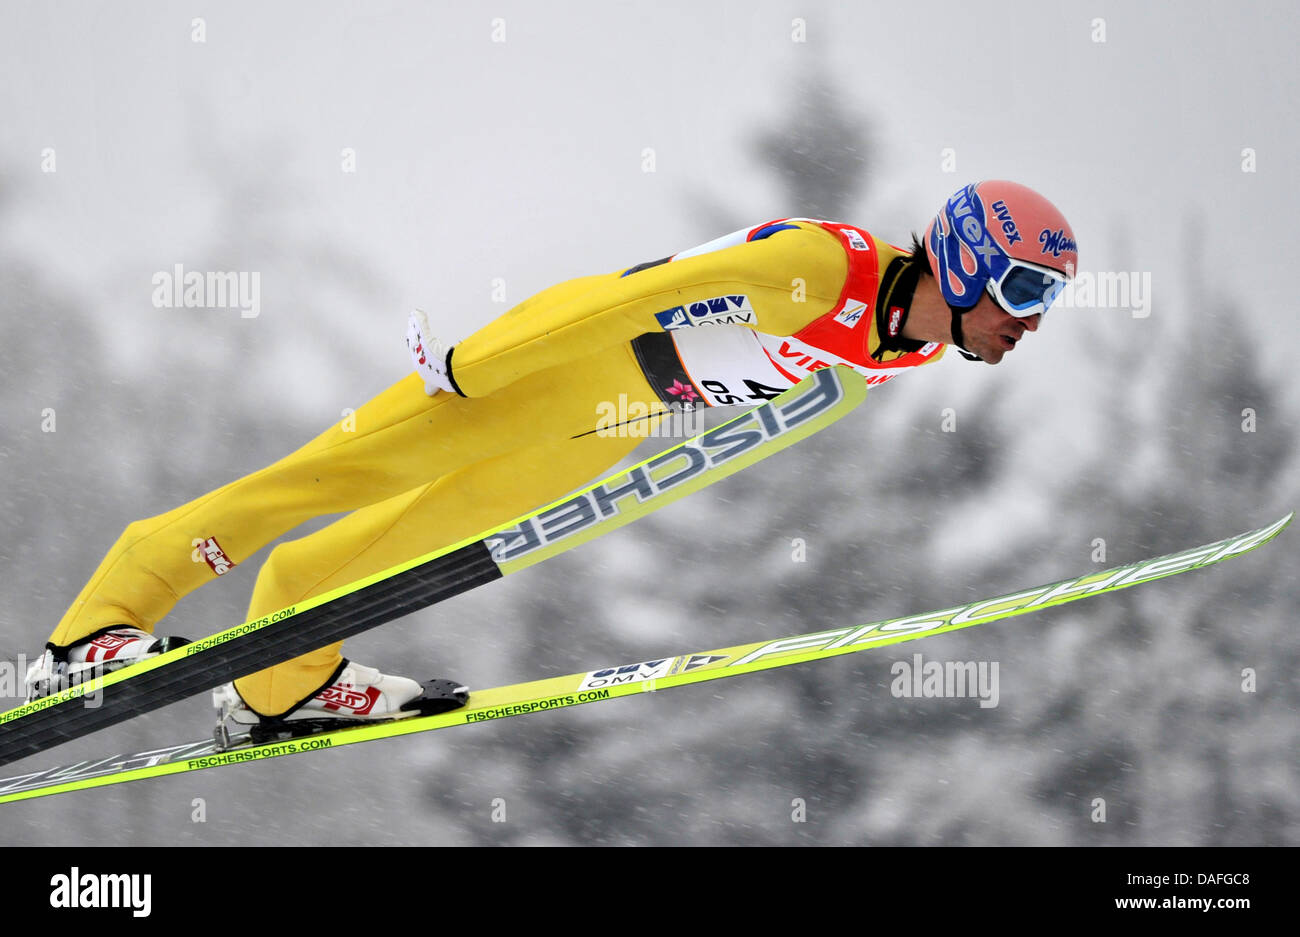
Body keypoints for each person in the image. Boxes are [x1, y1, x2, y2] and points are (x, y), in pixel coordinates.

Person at [25, 180, 1078, 734]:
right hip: (525, 383)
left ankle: (275, 684)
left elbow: (740, 397)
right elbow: (621, 299)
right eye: (1026, 291)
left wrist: (634, 463)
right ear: (973, 258)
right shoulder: (820, 268)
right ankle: (90, 636)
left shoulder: (903, 349)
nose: (1030, 323)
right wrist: (477, 362)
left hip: (606, 431)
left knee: (402, 548)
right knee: (316, 483)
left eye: (1048, 302)